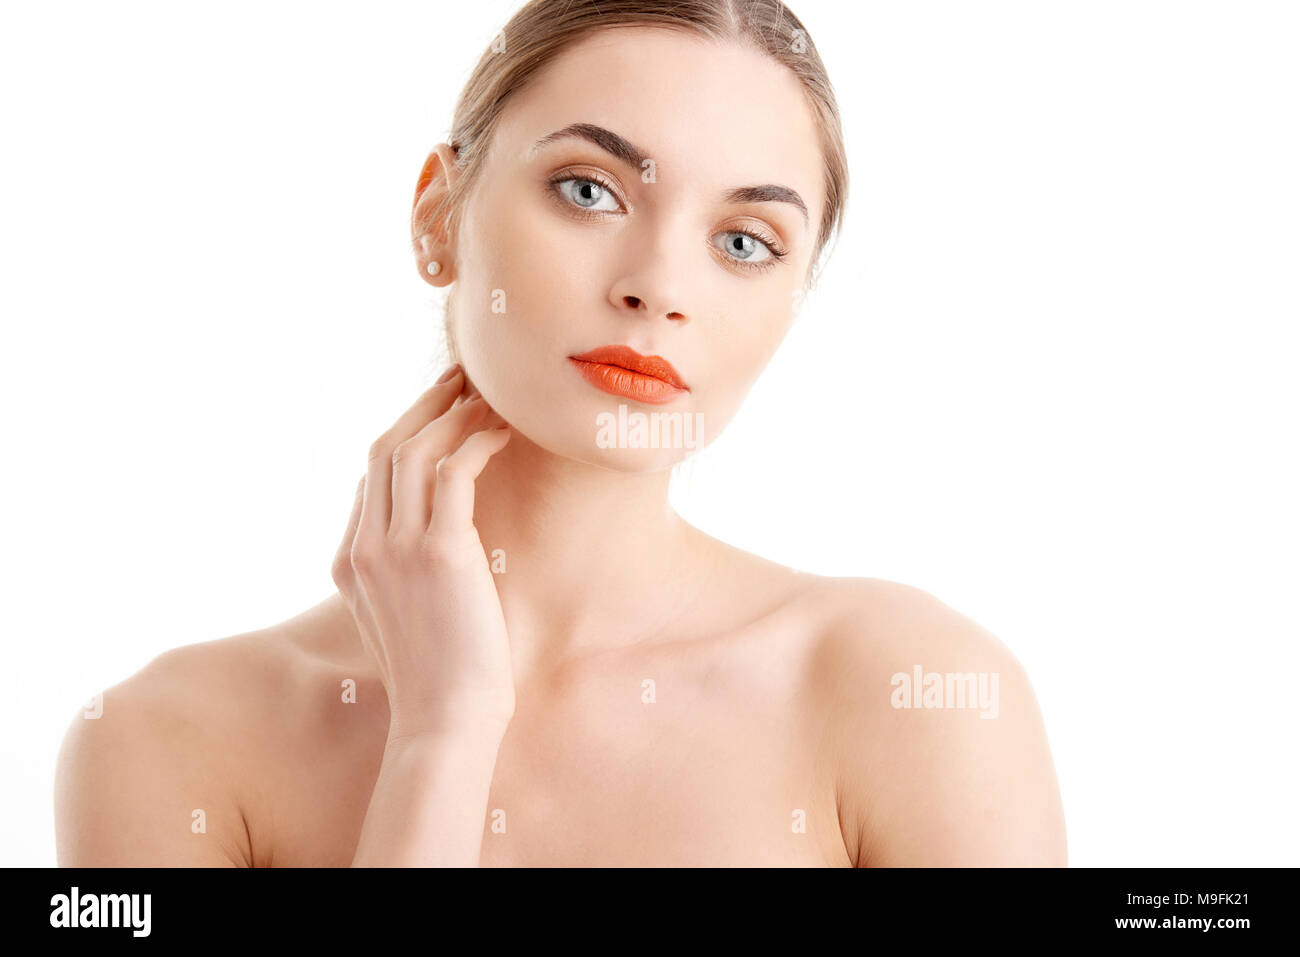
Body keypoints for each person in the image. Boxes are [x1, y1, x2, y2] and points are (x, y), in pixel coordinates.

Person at [54, 0, 1066, 867]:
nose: (658, 287)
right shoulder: (164, 743)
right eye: (590, 190)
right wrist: (441, 739)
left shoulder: (915, 697)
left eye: (743, 242)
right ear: (438, 216)